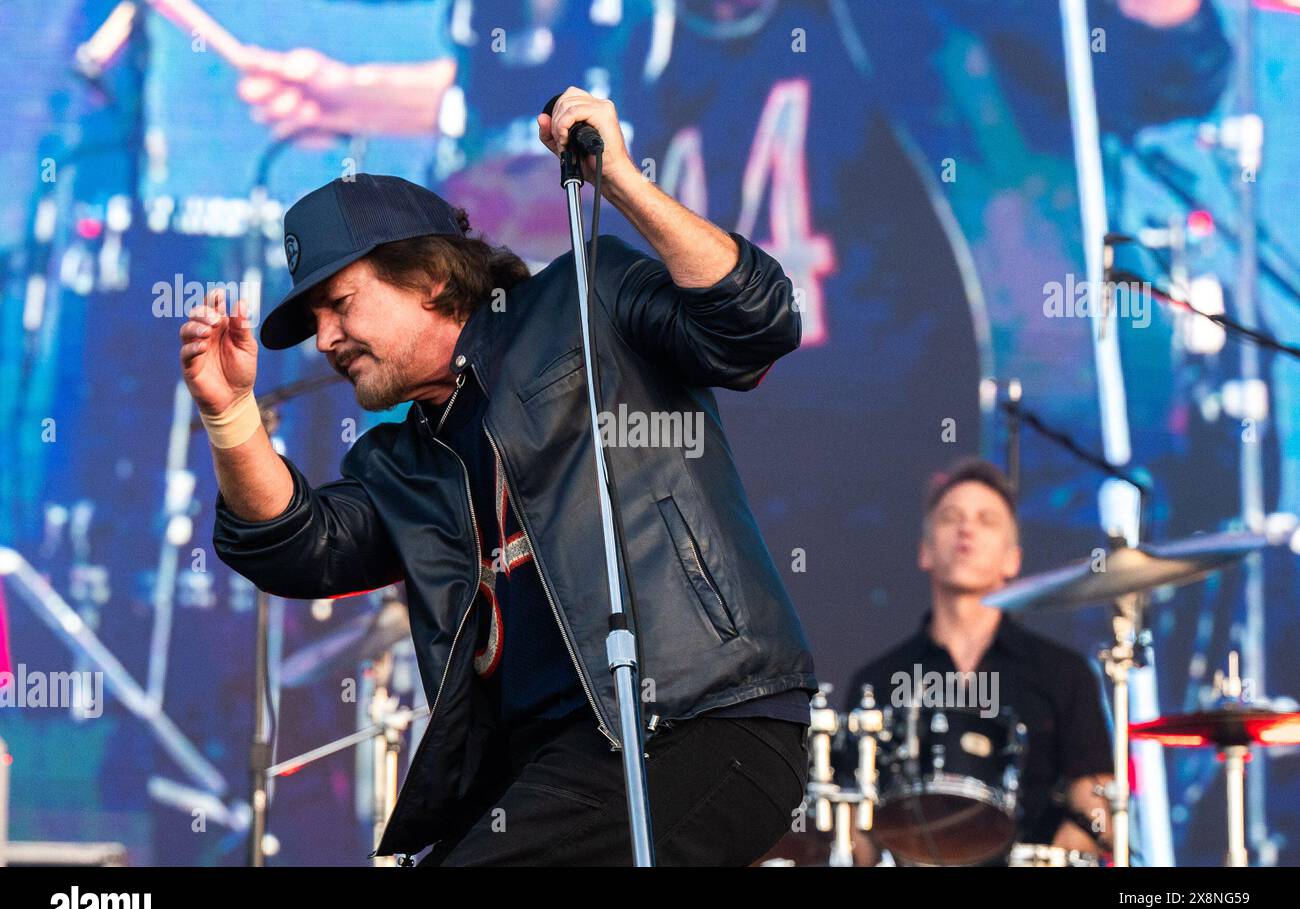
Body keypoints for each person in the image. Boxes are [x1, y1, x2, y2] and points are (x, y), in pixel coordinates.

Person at [179, 88, 816, 865]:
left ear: (431, 280)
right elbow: (294, 546)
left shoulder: (584, 300)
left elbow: (755, 321)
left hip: (701, 714)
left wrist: (617, 178)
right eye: (313, 320)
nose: (325, 338)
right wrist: (230, 413)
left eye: (340, 304)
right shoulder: (402, 462)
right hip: (558, 767)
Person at [842, 459, 1114, 864]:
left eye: (986, 520)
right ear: (925, 551)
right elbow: (851, 827)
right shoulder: (876, 683)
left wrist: (1067, 845)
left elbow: (1097, 807)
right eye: (951, 517)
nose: (966, 530)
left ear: (1012, 559)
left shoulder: (1063, 673)